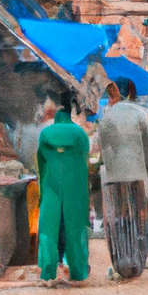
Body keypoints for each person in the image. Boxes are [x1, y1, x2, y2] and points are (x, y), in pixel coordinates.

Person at [97, 78, 148, 278]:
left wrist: (110, 172)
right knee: (139, 217)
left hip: (114, 178)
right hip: (137, 175)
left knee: (119, 219)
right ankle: (138, 261)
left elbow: (104, 151)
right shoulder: (140, 114)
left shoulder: (106, 117)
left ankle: (121, 262)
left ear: (114, 94)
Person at [36, 89, 90, 282]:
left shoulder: (45, 134)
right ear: (71, 111)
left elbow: (41, 165)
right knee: (75, 229)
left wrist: (43, 191)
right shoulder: (80, 135)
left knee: (49, 230)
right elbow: (84, 164)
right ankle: (78, 272)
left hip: (51, 187)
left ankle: (48, 272)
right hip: (74, 188)